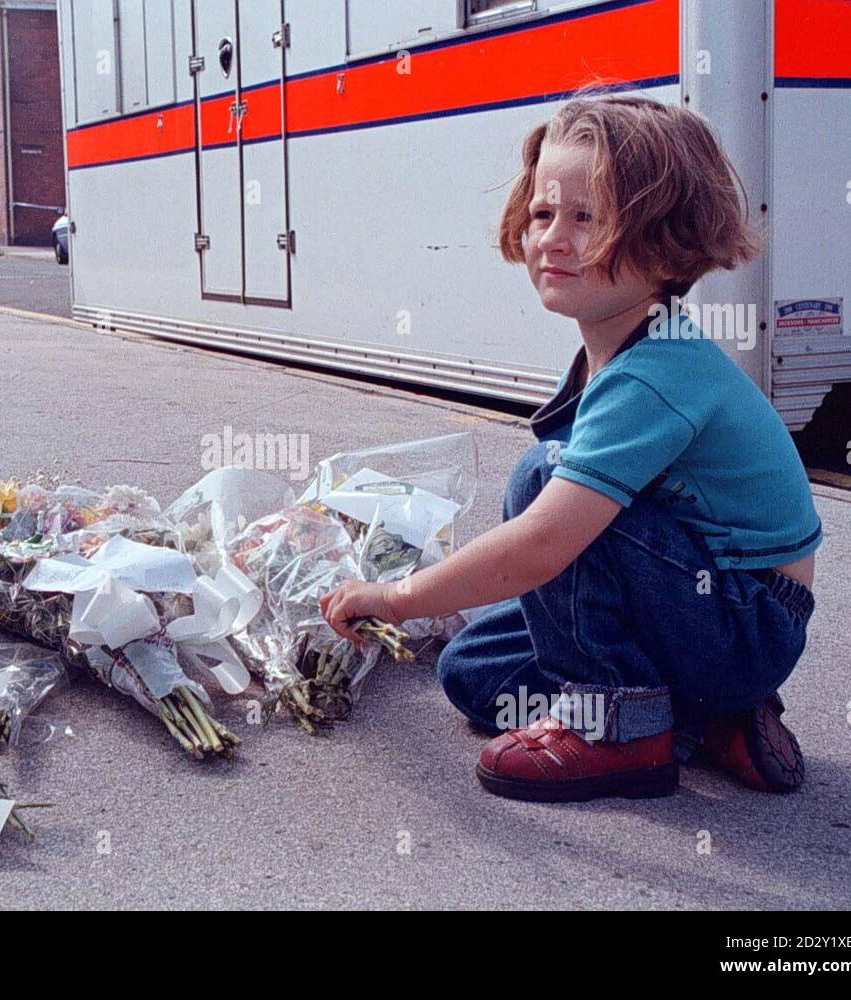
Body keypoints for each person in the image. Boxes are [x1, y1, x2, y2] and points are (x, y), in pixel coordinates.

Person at [319, 93, 820, 803]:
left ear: (665, 238)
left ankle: (622, 729)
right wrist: (443, 599)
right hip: (700, 612)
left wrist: (399, 597)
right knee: (471, 671)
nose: (552, 238)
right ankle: (706, 718)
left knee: (543, 478)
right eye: (543, 214)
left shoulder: (655, 373)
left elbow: (545, 544)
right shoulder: (619, 348)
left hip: (745, 622)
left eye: (587, 218)